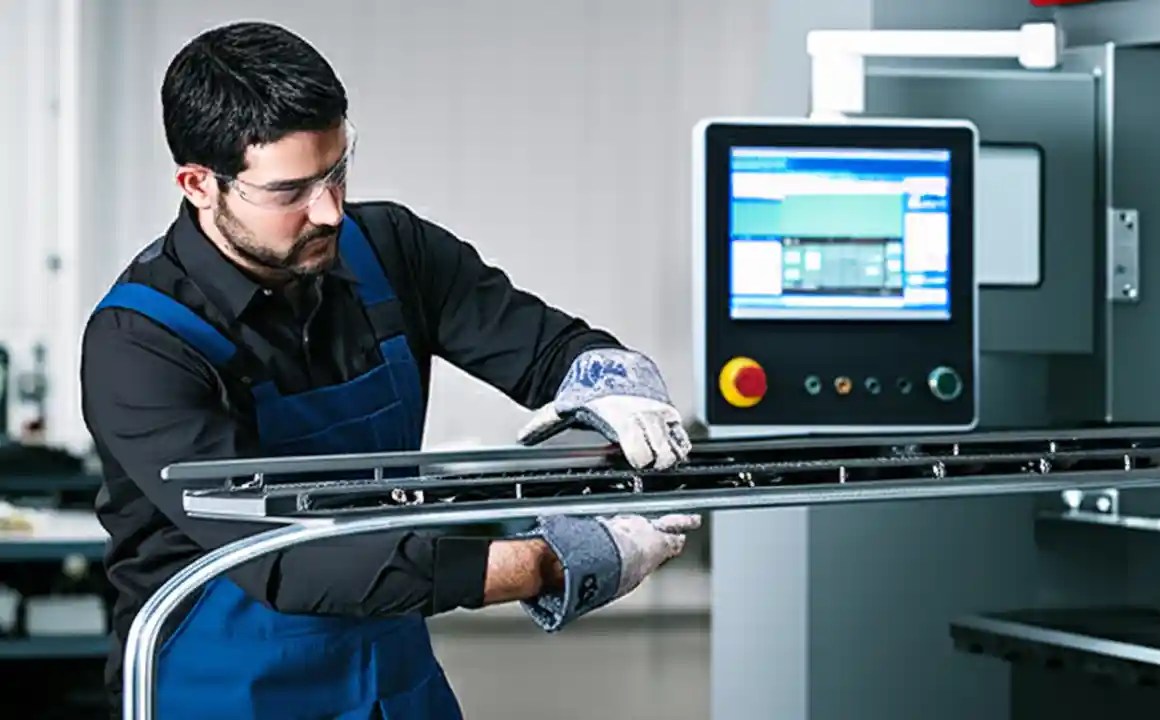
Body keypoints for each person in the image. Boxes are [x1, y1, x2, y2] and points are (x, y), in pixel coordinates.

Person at [79, 20, 699, 719]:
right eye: (291, 191)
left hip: (390, 672)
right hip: (222, 685)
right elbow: (282, 557)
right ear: (199, 184)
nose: (330, 211)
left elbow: (553, 350)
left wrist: (615, 383)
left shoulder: (391, 250)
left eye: (337, 170)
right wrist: (546, 565)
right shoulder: (140, 343)